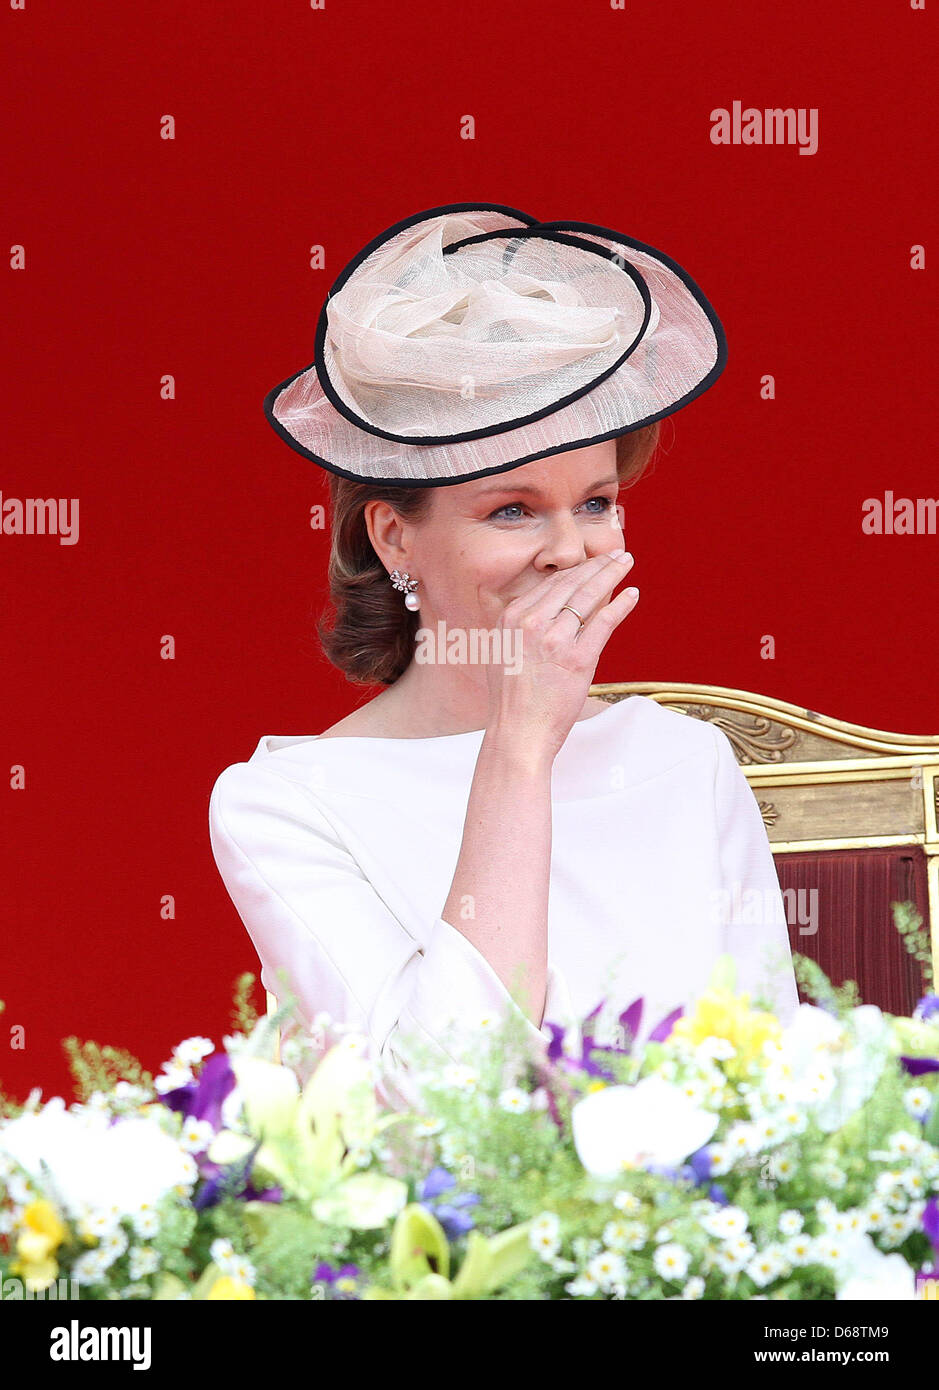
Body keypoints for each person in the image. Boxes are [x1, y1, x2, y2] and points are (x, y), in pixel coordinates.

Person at [208, 202, 799, 1100]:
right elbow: (440, 1109)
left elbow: (775, 1103)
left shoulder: (686, 762)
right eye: (511, 510)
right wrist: (519, 751)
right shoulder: (283, 809)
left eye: (595, 502)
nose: (570, 549)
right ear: (394, 538)